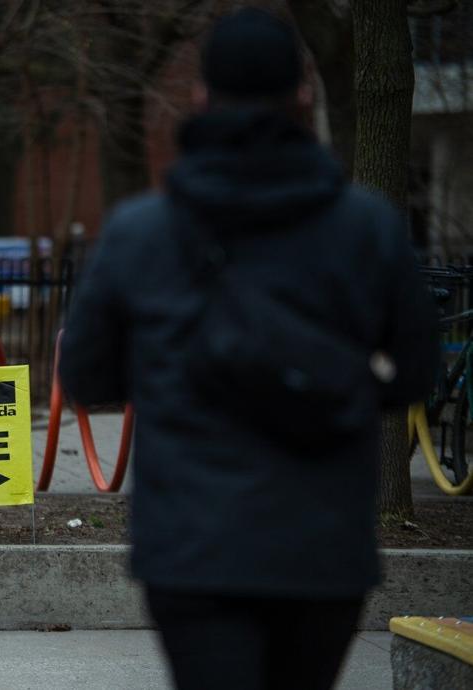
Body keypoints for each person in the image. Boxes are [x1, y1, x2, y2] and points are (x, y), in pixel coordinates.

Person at [59, 9, 437, 690]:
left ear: (201, 97)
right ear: (302, 95)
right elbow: (415, 372)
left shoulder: (141, 233)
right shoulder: (367, 228)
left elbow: (85, 375)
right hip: (320, 545)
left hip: (192, 545)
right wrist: (328, 388)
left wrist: (175, 379)